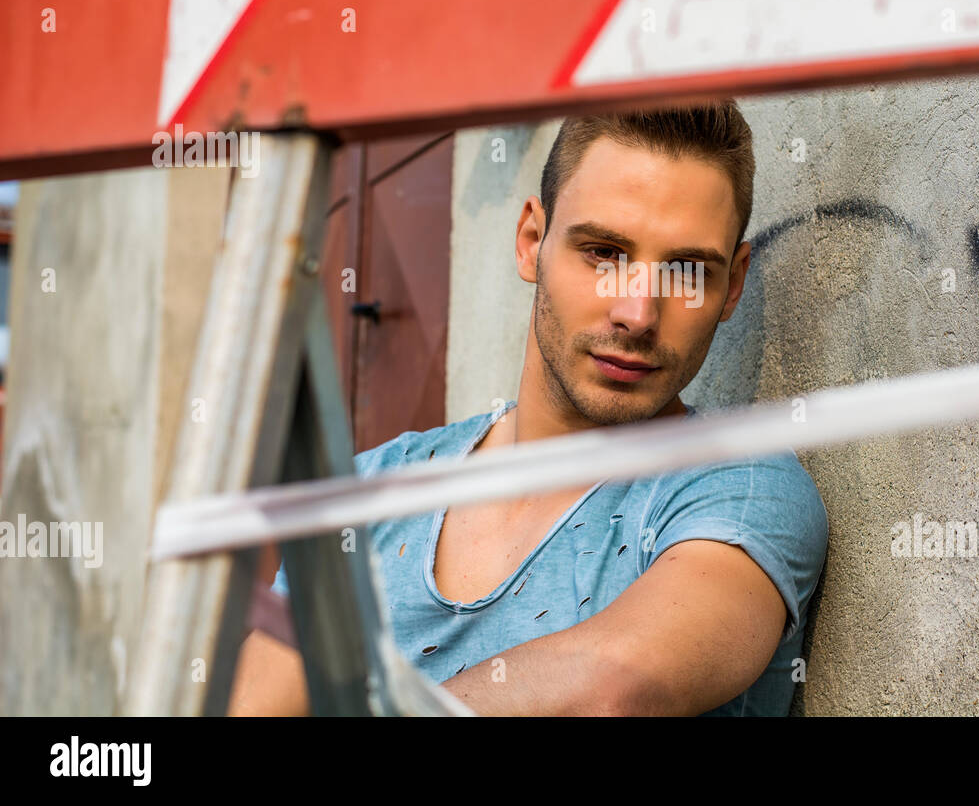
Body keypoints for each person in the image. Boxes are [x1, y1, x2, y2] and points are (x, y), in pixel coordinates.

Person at [229, 100, 828, 716]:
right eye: (603, 252)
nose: (638, 313)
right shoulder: (372, 488)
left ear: (731, 287)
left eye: (686, 271)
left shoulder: (745, 489)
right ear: (531, 241)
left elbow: (611, 693)